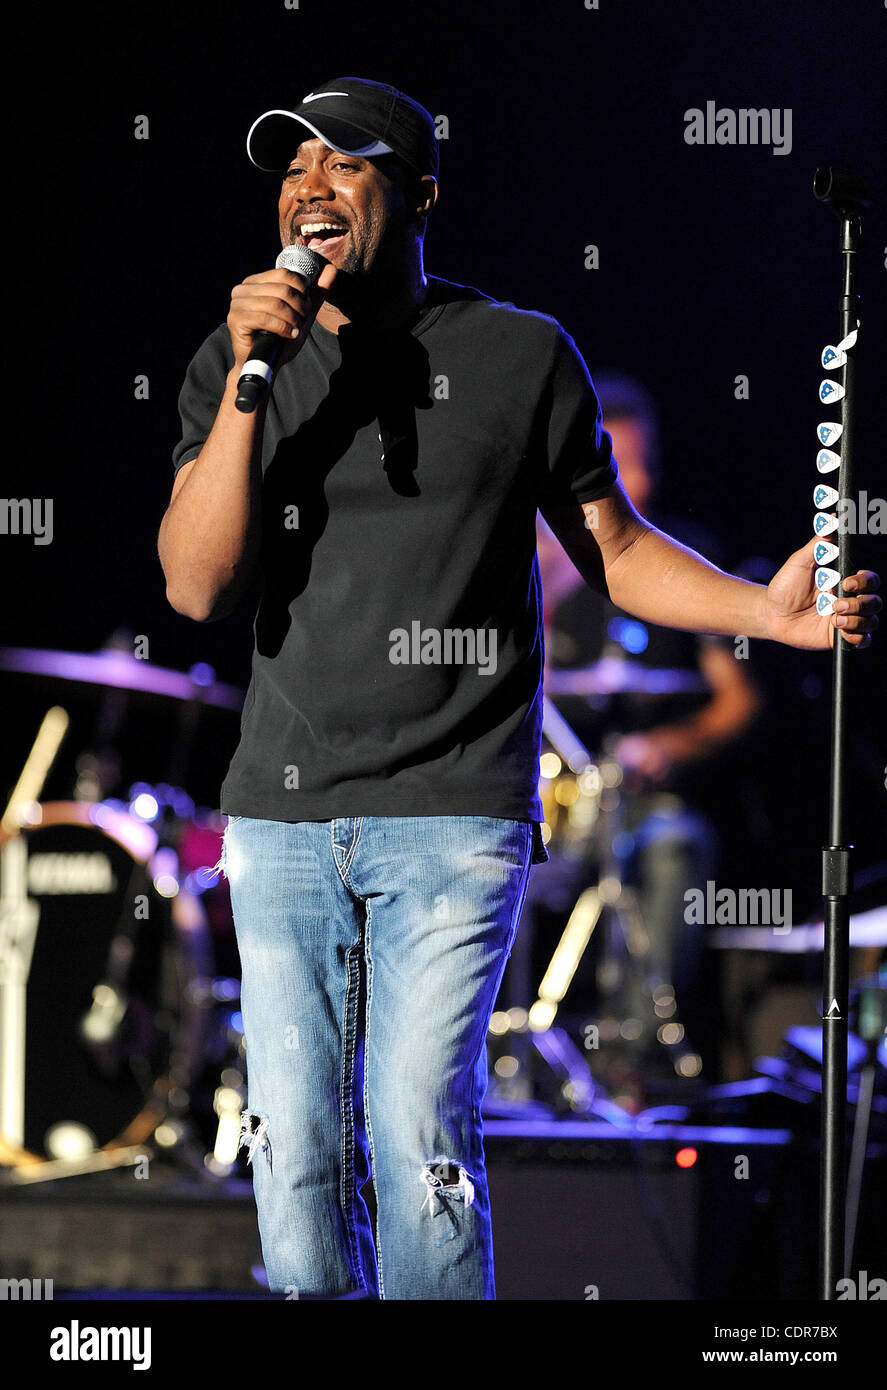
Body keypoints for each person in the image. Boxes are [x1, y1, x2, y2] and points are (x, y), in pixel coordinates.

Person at [158, 77, 880, 1301]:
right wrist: (246, 379)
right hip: (280, 817)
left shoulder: (515, 354)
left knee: (415, 1138)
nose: (309, 187)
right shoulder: (238, 359)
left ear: (420, 193)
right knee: (290, 1158)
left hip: (451, 813)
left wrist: (763, 613)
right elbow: (193, 585)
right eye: (293, 166)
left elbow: (617, 548)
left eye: (345, 162)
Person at [530, 375, 761, 1091]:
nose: (637, 480)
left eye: (642, 462)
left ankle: (630, 1057)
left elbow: (738, 699)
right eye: (616, 461)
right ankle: (509, 1060)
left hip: (648, 797)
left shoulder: (687, 558)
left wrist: (671, 746)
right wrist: (550, 567)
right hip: (557, 799)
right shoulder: (548, 564)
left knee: (672, 845)